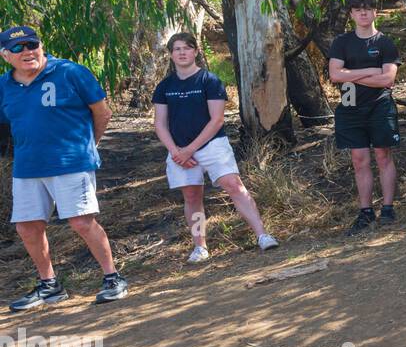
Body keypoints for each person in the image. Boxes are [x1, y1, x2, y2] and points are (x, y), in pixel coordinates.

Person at [0, 25, 128, 310]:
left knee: (81, 221)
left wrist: (87, 146)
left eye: (32, 44)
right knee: (27, 228)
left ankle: (113, 278)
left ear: (41, 45)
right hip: (27, 167)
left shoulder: (70, 72)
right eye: (18, 48)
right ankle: (50, 285)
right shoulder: (4, 85)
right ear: (6, 55)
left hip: (71, 162)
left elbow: (102, 112)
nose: (27, 52)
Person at [151, 32, 278, 262]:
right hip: (178, 150)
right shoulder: (164, 87)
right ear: (171, 54)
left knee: (233, 185)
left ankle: (262, 235)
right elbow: (160, 124)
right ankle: (200, 247)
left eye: (187, 48)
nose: (182, 53)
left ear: (196, 51)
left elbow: (217, 119)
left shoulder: (209, 81)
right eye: (177, 49)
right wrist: (176, 151)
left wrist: (190, 149)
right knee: (191, 195)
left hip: (211, 145)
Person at [328, 0, 401, 235]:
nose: (362, 13)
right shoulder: (342, 42)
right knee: (359, 160)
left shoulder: (385, 43)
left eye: (367, 9)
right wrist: (371, 70)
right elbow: (335, 76)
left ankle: (388, 208)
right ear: (351, 14)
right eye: (357, 9)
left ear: (374, 13)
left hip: (380, 105)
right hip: (349, 106)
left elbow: (388, 80)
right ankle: (366, 212)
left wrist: (353, 73)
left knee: (382, 155)